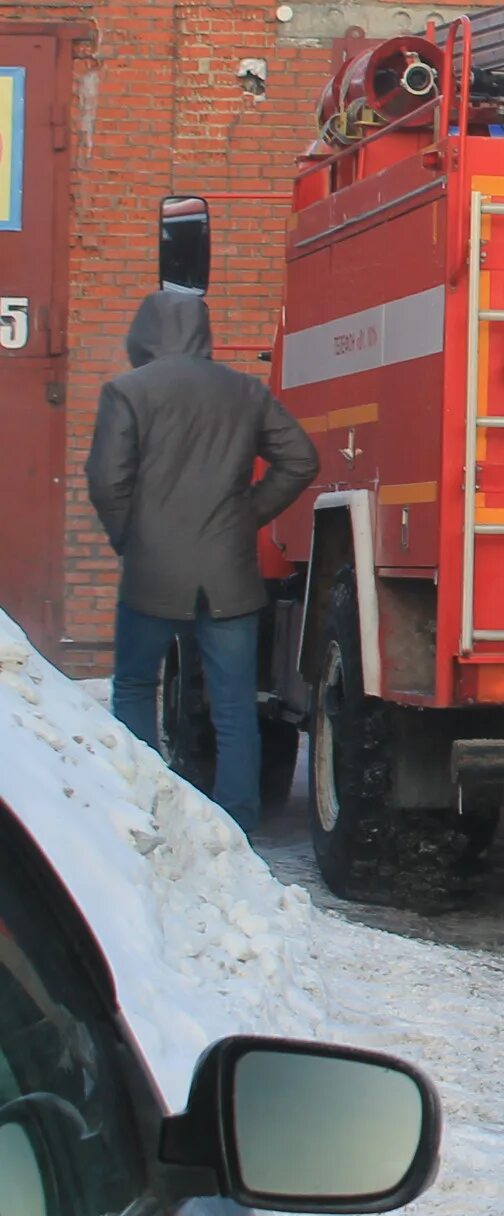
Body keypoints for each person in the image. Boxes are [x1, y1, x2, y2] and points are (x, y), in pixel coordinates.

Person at [86, 287, 319, 832]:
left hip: (152, 570)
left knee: (135, 686)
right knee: (234, 705)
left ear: (144, 333)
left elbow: (106, 479)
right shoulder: (244, 390)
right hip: (227, 572)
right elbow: (300, 459)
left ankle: (142, 805)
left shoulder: (127, 392)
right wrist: (248, 515)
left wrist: (129, 537)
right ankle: (237, 821)